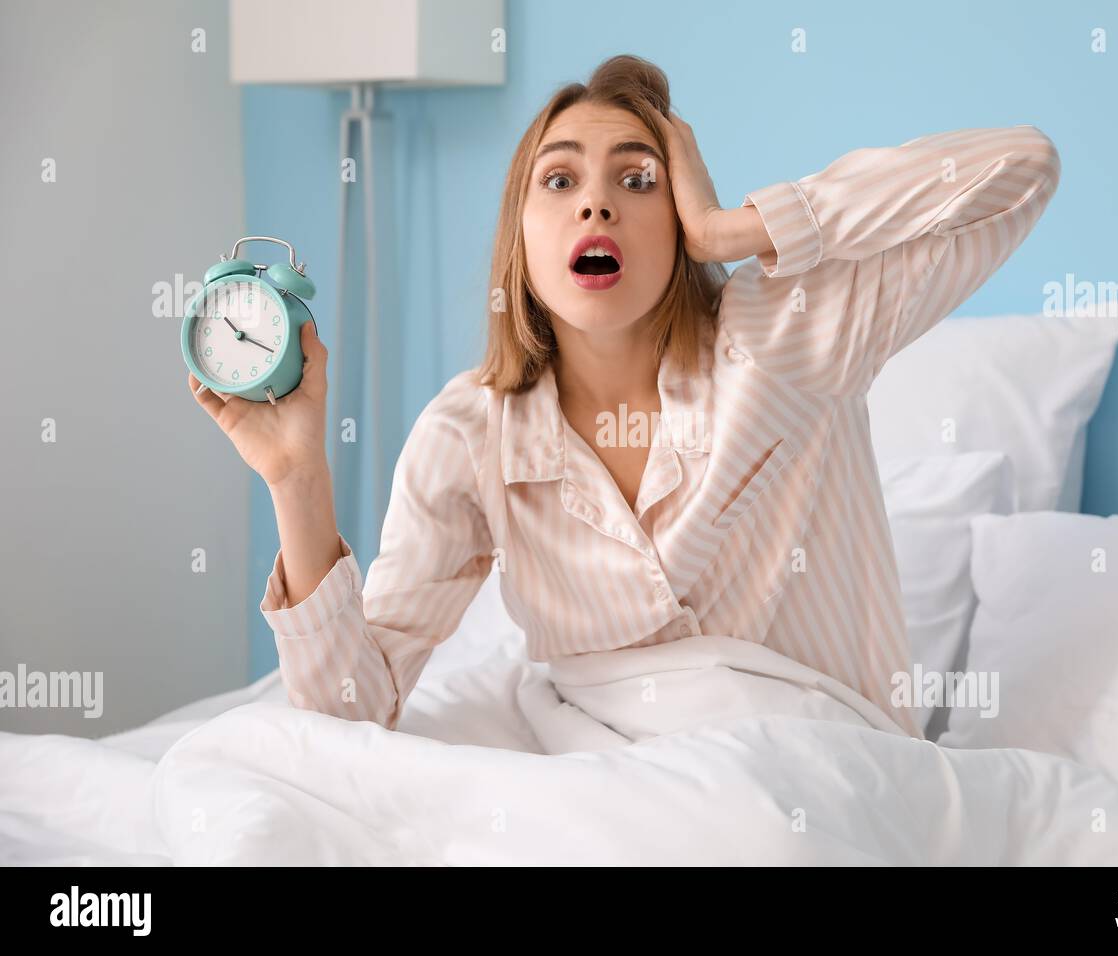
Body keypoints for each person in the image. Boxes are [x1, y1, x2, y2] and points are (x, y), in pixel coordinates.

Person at [190, 54, 1060, 737]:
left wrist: (737, 228)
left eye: (638, 180)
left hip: (812, 774)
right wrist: (298, 481)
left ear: (679, 219)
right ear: (521, 237)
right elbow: (347, 718)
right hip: (589, 784)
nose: (596, 204)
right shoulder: (469, 431)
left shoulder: (785, 337)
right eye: (560, 180)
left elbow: (1019, 169)